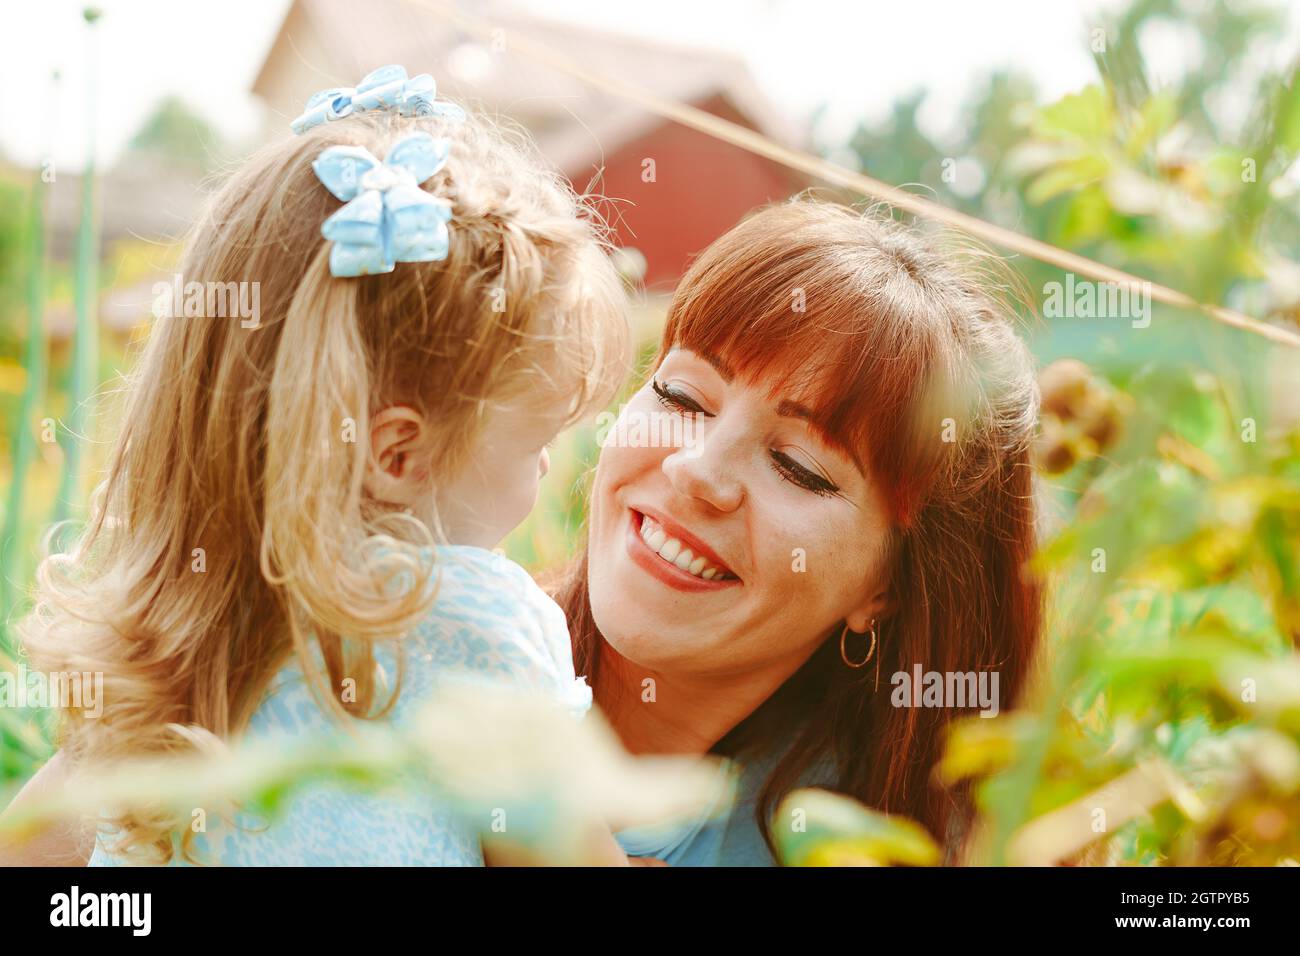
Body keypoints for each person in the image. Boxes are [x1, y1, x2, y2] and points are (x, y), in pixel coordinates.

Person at [6, 66, 631, 865]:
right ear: (397, 455)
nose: (546, 467)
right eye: (536, 439)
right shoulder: (471, 633)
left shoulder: (167, 657)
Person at [555, 200, 1046, 864]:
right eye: (682, 397)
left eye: (798, 466)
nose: (699, 469)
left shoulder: (864, 847)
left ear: (886, 590)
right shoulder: (414, 645)